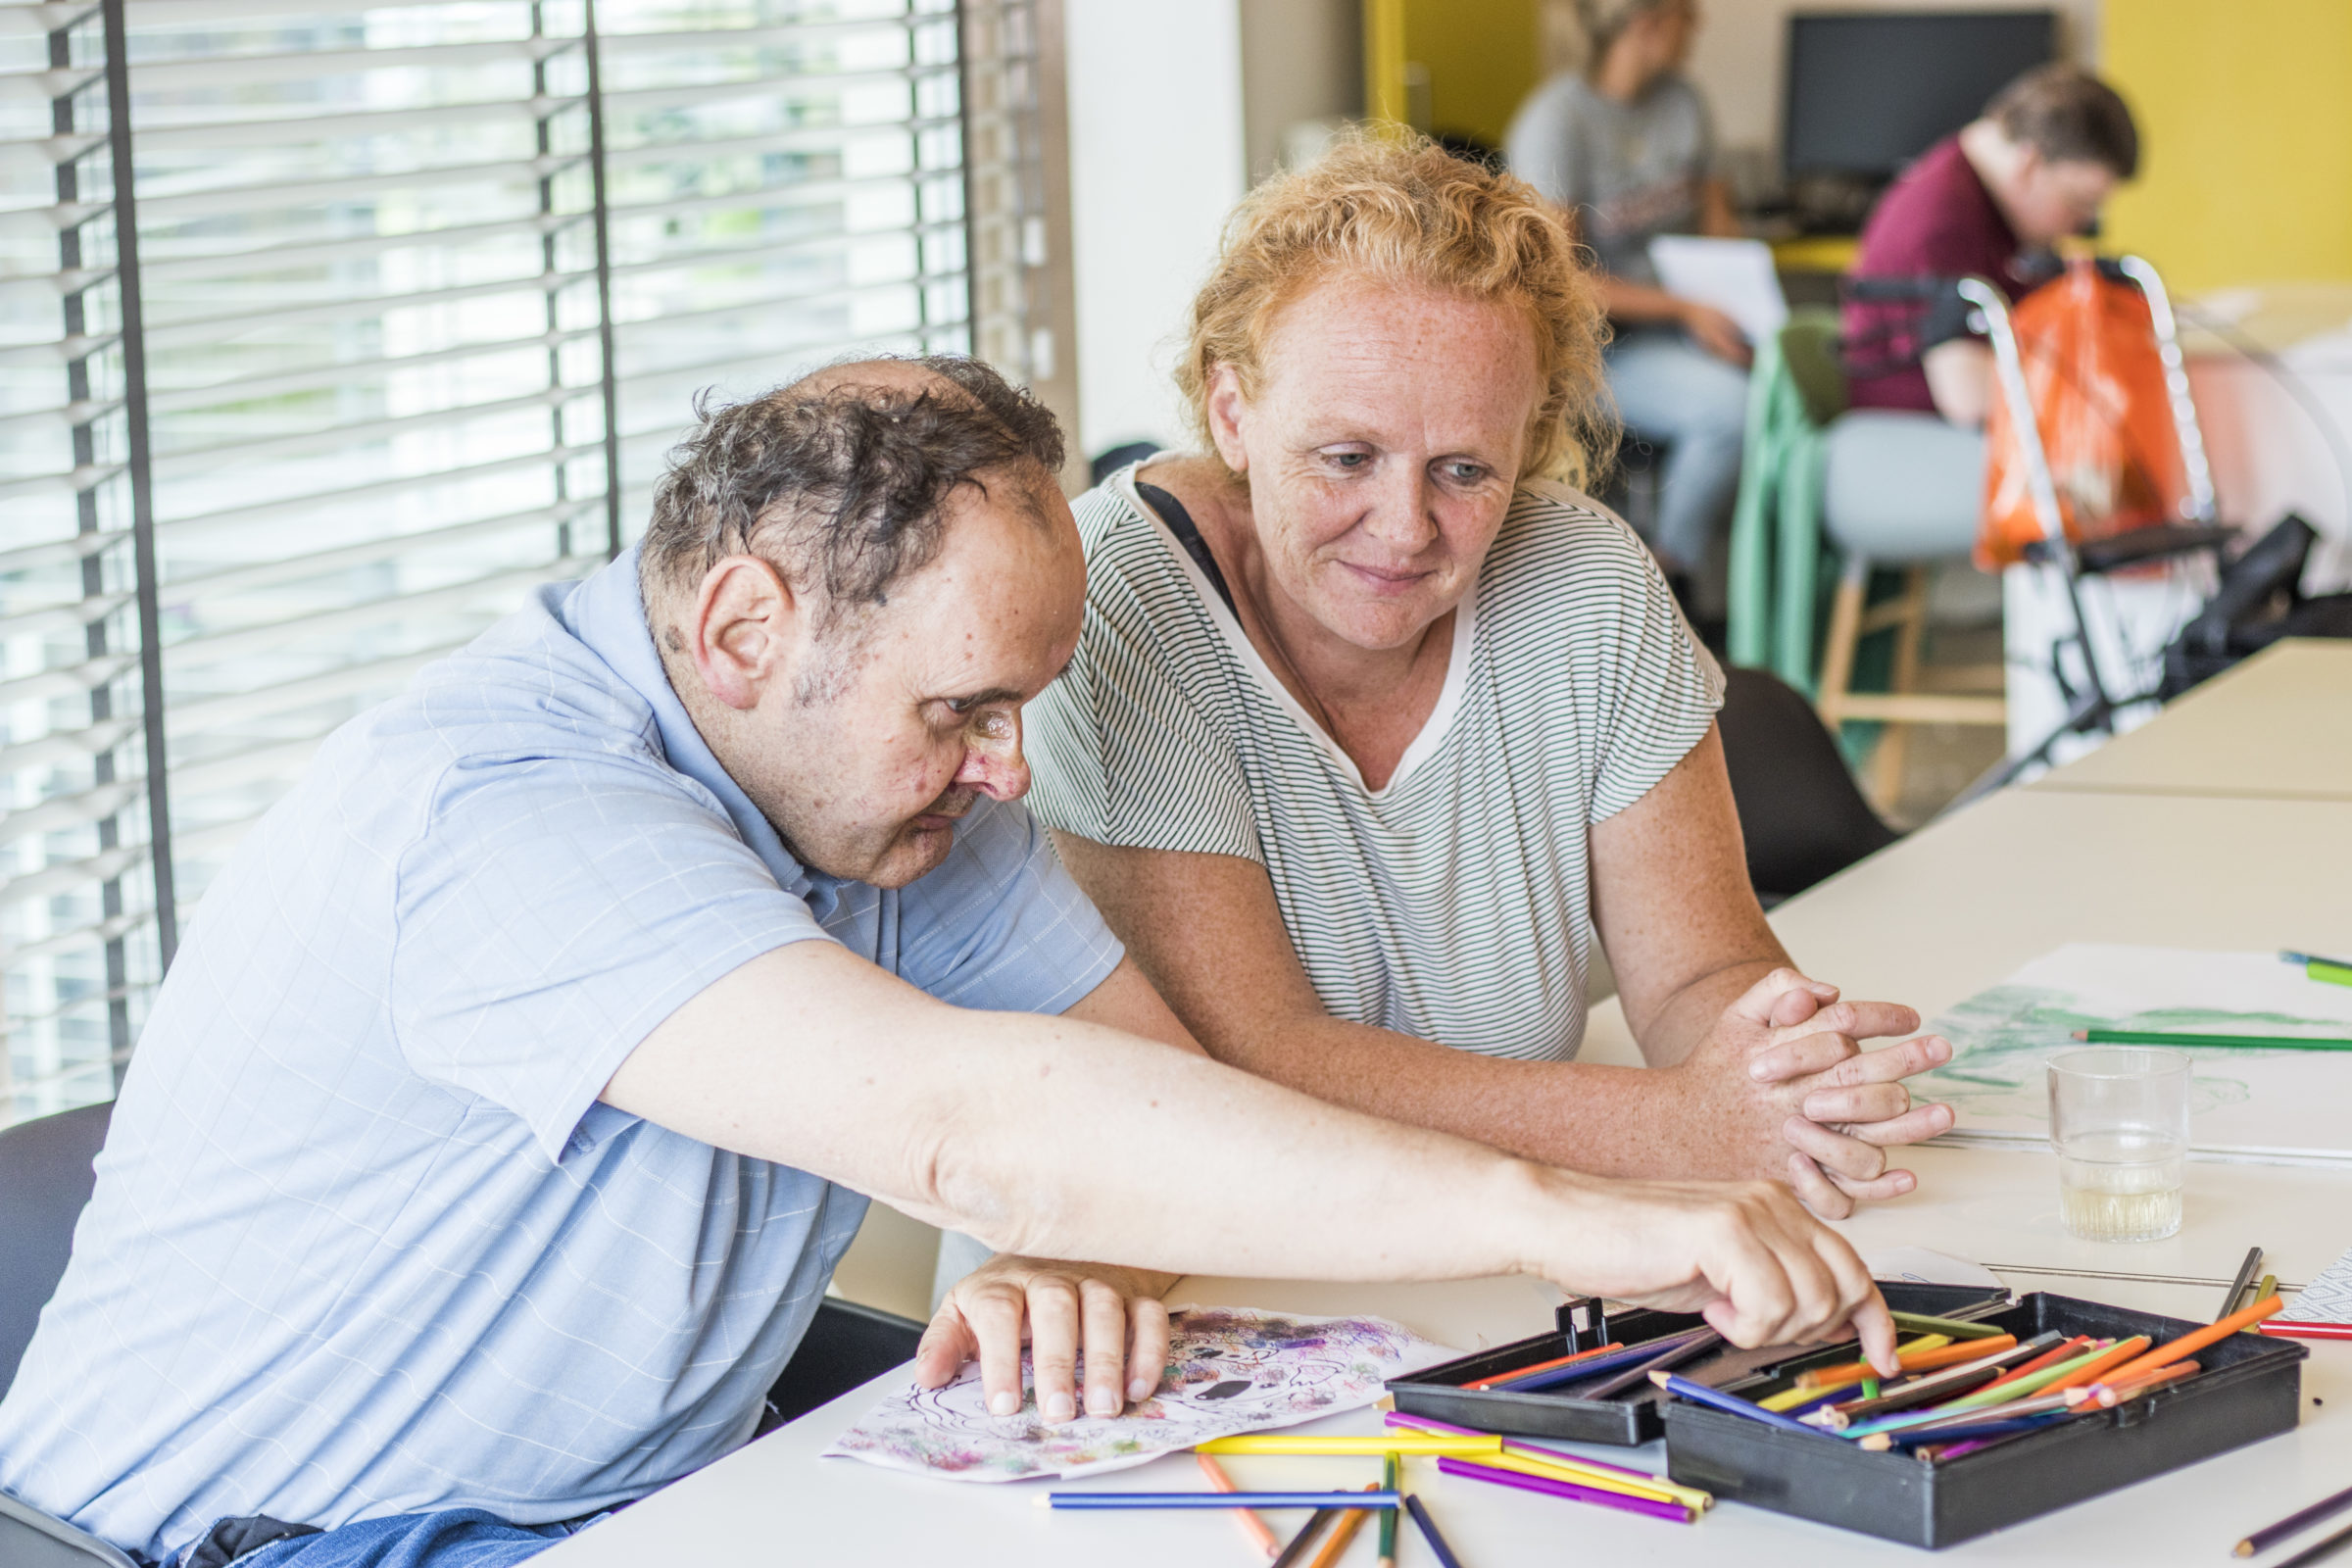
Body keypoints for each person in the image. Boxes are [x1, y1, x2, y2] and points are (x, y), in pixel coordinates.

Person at [0, 357, 1899, 1568]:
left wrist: (1075, 1248)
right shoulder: (500, 816)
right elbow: (978, 1128)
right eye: (964, 709)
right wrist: (1571, 1212)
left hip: (638, 1489)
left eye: (1025, 706)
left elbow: (1144, 1102)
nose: (1009, 772)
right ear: (745, 627)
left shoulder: (881, 798)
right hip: (269, 1538)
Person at [1023, 134, 1952, 1228]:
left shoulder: (1588, 579)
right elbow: (1255, 1057)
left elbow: (1696, 971)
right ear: (1233, 413)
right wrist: (1675, 1125)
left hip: (1509, 1237)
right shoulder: (1116, 596)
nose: (1405, 528)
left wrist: (1779, 1086)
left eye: (1465, 470)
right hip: (1179, 1248)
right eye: (1346, 458)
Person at [1504, 0, 1747, 589]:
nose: (1697, 27)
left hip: (1680, 326)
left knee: (1789, 382)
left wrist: (1738, 301)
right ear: (1647, 22)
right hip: (1596, 351)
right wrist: (1685, 309)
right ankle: (1668, 576)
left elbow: (1718, 221)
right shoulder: (1556, 122)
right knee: (1734, 410)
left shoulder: (1684, 101)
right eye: (1687, 14)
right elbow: (1561, 281)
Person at [1844, 63, 2141, 426]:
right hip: (1914, 434)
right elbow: (1969, 396)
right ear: (2030, 164)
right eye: (2078, 202)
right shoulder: (1941, 223)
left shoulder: (1981, 197)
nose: (2080, 224)